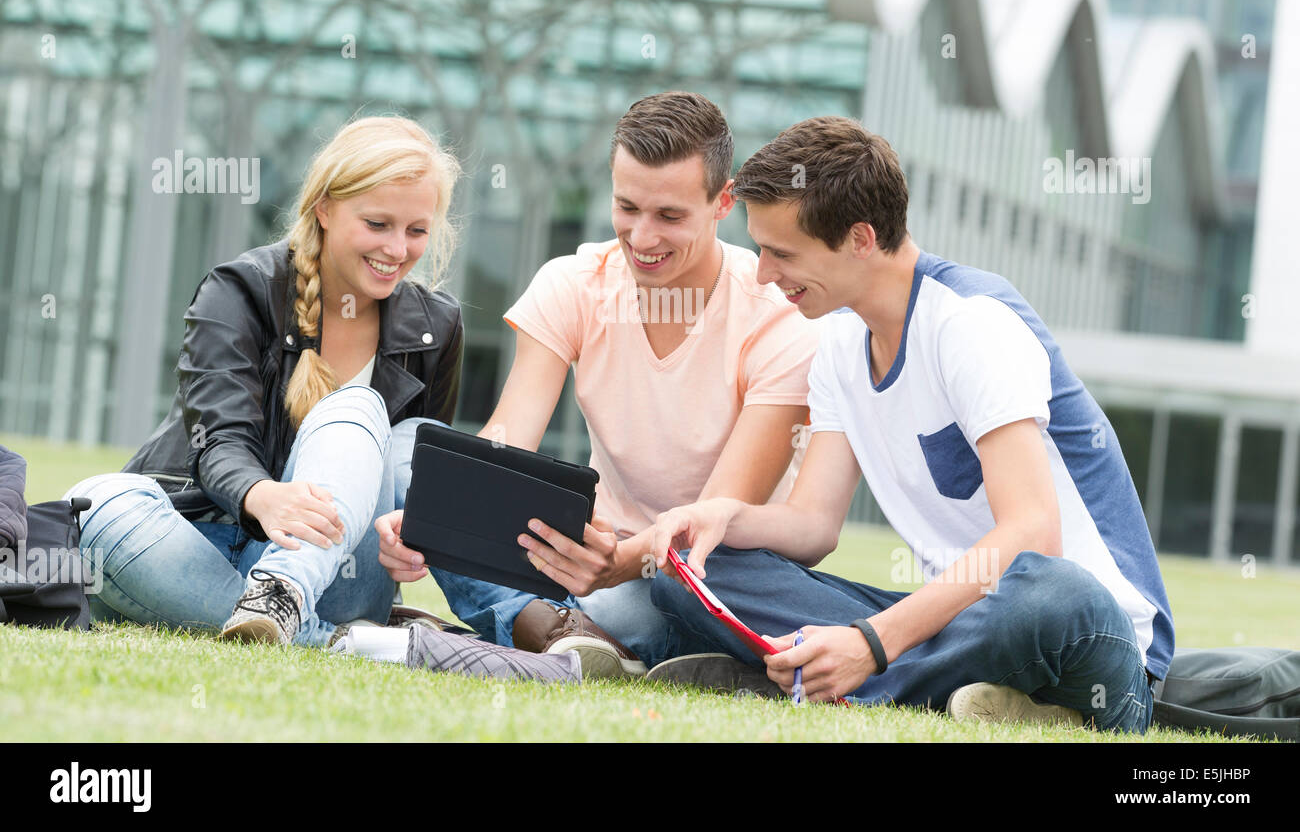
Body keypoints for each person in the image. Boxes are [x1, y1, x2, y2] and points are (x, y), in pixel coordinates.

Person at [647, 116, 1175, 732]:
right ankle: (944, 690)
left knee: (1056, 592)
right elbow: (813, 525)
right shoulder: (841, 343)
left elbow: (1033, 533)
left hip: (1092, 636)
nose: (764, 274)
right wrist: (723, 518)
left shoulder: (972, 325)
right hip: (956, 625)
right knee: (690, 575)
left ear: (860, 238)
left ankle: (826, 677)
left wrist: (871, 643)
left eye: (782, 253)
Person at [376, 92, 823, 677]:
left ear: (723, 202)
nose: (640, 238)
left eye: (669, 216)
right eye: (626, 207)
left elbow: (716, 514)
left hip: (697, 573)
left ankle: (557, 631)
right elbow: (506, 444)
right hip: (580, 560)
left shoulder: (776, 317)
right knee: (414, 451)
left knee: (664, 594)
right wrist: (439, 516)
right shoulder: (573, 284)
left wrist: (619, 562)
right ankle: (568, 633)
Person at [65, 116, 464, 646]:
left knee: (367, 414)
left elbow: (417, 477)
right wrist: (261, 495)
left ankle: (283, 595)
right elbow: (219, 439)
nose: (397, 250)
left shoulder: (437, 327)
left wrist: (407, 532)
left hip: (333, 573)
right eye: (377, 224)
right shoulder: (241, 289)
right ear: (323, 207)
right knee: (94, 504)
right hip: (197, 539)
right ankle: (339, 641)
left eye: (416, 231)